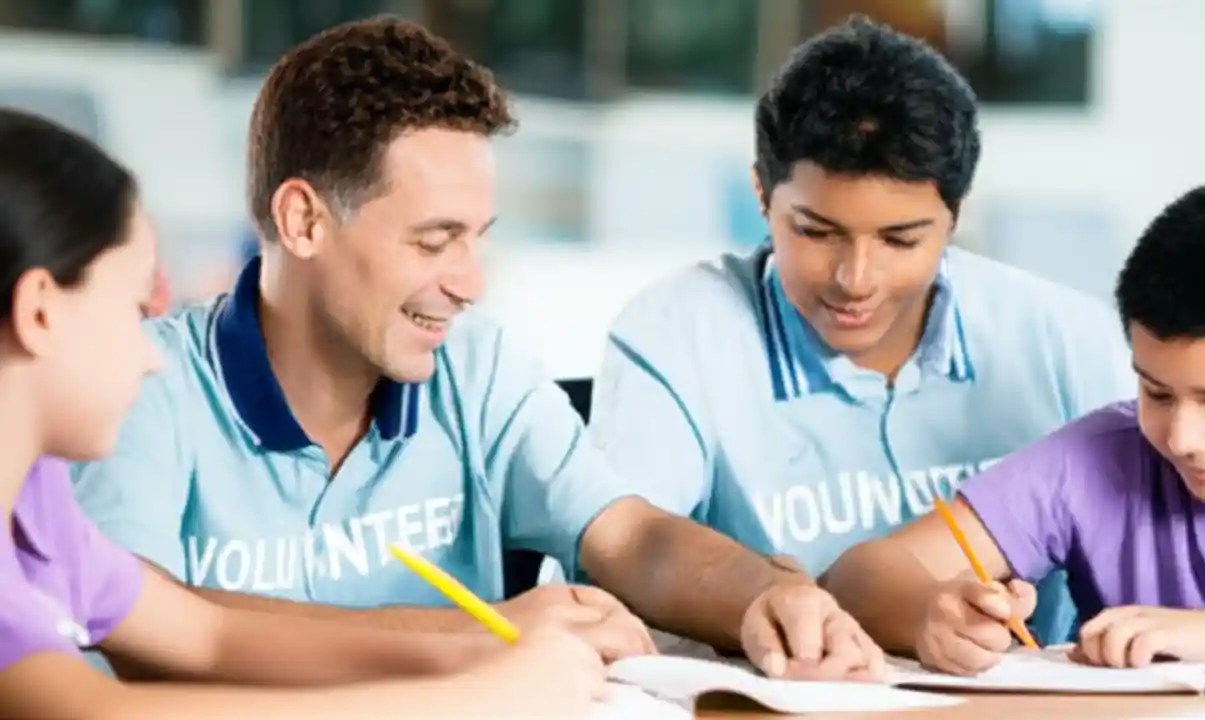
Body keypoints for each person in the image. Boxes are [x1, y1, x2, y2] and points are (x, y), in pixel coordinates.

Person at [71, 16, 883, 681]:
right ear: (304, 221)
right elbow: (140, 621)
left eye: (479, 239)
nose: (470, 283)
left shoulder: (476, 367)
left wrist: (760, 596)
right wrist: (472, 636)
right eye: (434, 242)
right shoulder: (146, 384)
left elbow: (628, 535)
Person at [0, 107, 609, 719]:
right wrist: (476, 698)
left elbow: (209, 636)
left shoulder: (35, 500)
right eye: (134, 313)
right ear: (41, 312)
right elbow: (93, 713)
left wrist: (478, 652)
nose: (149, 356)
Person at [588, 14, 1132, 647]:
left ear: (954, 216)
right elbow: (623, 542)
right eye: (816, 232)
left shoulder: (1067, 337)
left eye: (901, 239)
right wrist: (753, 592)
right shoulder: (677, 333)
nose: (856, 279)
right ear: (762, 195)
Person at [828, 183, 1205, 674]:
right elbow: (857, 578)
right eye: (1157, 393)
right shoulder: (1096, 459)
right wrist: (931, 614)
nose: (1181, 439)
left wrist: (1204, 632)